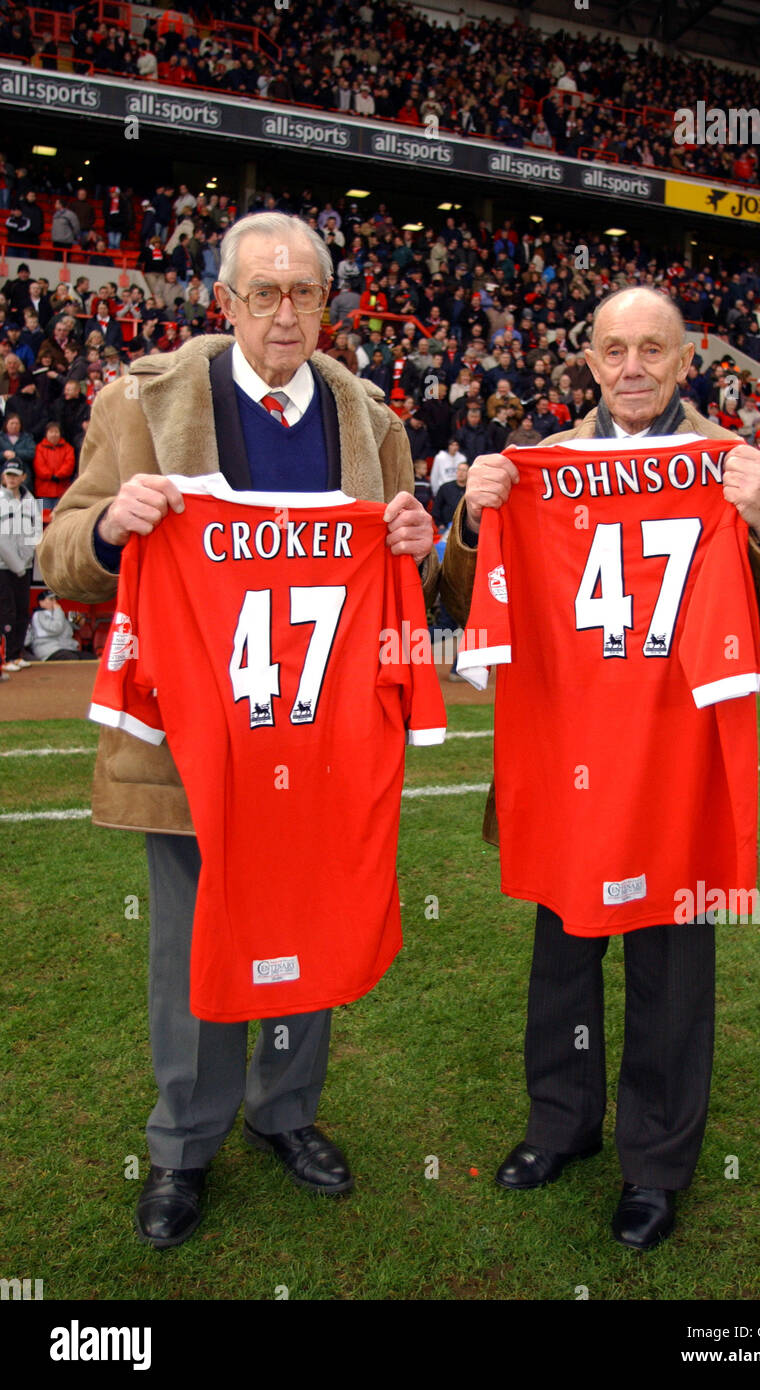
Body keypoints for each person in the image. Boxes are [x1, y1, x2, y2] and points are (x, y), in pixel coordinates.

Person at [38, 211, 437, 1251]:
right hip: (188, 735)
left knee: (316, 916)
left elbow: (406, 573)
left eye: (303, 291)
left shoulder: (370, 420)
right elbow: (60, 552)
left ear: (325, 303)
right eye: (263, 292)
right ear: (225, 303)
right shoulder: (143, 399)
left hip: (319, 738)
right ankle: (183, 1140)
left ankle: (286, 1112)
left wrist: (417, 540)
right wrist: (111, 525)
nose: (284, 311)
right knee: (192, 949)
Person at [440, 286, 760, 1252]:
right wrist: (469, 522)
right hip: (568, 760)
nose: (632, 368)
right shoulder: (540, 466)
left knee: (672, 971)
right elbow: (463, 599)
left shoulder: (732, 464)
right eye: (614, 350)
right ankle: (563, 1123)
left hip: (679, 767)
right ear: (588, 362)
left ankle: (656, 1162)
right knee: (564, 951)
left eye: (652, 350)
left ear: (682, 361)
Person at [0, 462, 39, 672]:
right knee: (7, 612)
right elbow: (1, 540)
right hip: (4, 567)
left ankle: (16, 655)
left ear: (23, 477)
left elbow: (35, 532)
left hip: (24, 565)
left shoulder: (31, 500)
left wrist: (25, 561)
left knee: (23, 610)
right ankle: (5, 657)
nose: (12, 479)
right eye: (8, 475)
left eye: (15, 475)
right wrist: (17, 564)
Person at [24, 590, 82, 660]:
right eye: (51, 599)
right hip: (48, 650)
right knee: (71, 658)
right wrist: (58, 610)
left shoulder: (57, 614)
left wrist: (78, 623)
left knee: (90, 658)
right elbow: (56, 628)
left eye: (55, 599)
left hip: (65, 648)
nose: (55, 602)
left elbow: (67, 628)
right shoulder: (39, 615)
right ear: (41, 603)